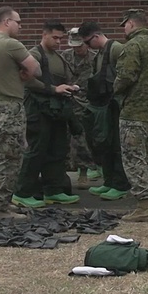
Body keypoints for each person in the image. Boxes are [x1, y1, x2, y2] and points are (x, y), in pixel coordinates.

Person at [0, 6, 42, 219]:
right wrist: (25, 74)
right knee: (10, 159)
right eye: (18, 22)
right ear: (7, 22)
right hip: (8, 106)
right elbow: (35, 68)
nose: (20, 26)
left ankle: (1, 202)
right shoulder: (9, 44)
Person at [13, 21, 81, 208]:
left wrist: (69, 87)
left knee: (57, 150)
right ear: (44, 35)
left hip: (56, 110)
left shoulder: (59, 57)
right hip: (38, 109)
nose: (59, 41)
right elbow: (26, 80)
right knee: (36, 150)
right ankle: (22, 193)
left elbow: (64, 80)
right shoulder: (33, 55)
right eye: (55, 37)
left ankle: (54, 190)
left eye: (61, 38)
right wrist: (53, 89)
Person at [113, 8, 148, 222]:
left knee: (133, 157)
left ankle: (143, 205)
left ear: (131, 23)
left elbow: (125, 76)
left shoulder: (133, 46)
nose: (123, 30)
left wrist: (114, 90)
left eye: (124, 25)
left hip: (135, 111)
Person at [77, 21, 132, 201]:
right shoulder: (99, 54)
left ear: (96, 36)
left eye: (87, 42)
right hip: (102, 105)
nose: (86, 46)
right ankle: (109, 181)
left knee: (116, 145)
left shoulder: (116, 49)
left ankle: (120, 184)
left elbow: (127, 75)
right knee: (105, 145)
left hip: (114, 105)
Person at [61, 27, 99, 189]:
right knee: (64, 140)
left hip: (85, 104)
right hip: (67, 102)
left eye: (80, 46)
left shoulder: (95, 59)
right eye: (74, 46)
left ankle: (84, 171)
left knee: (83, 140)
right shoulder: (64, 57)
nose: (77, 49)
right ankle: (63, 174)